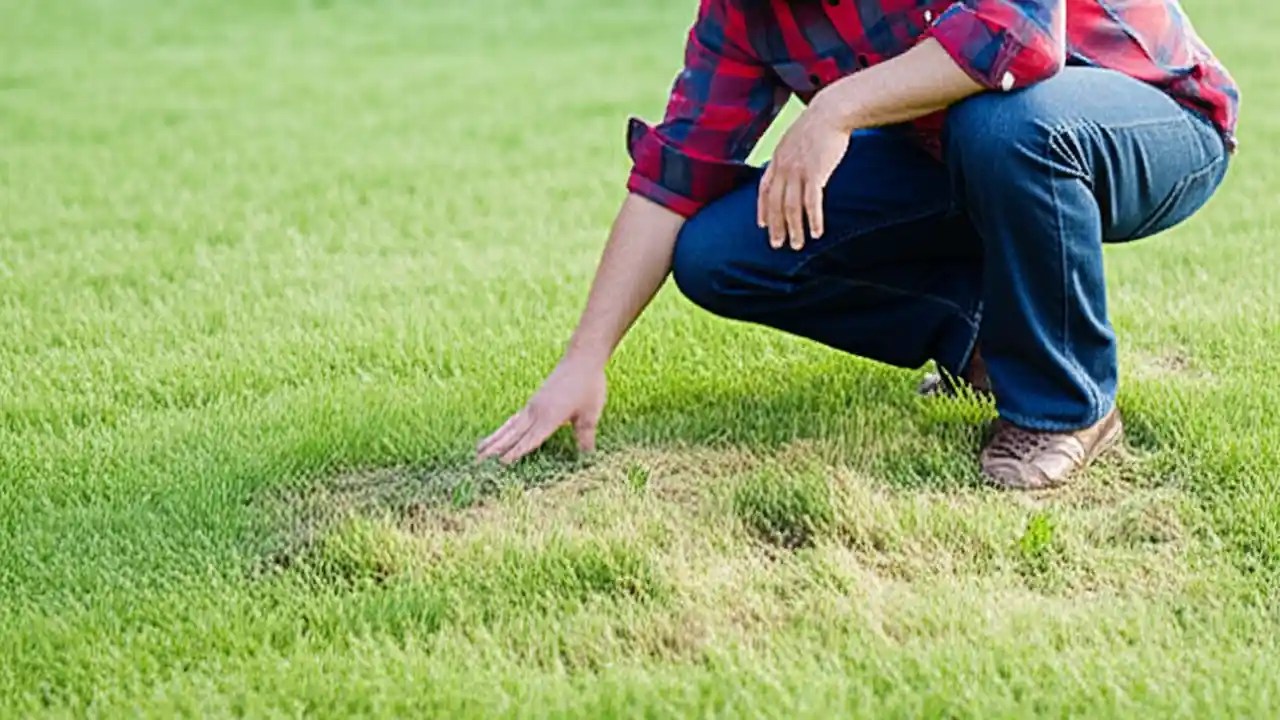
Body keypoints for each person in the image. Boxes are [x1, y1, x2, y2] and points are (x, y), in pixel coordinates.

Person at [477, 0, 1239, 489]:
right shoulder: (746, 15)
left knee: (1006, 123)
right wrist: (584, 360)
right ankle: (984, 338)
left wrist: (835, 108)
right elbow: (675, 174)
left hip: (1157, 117)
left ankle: (1067, 405)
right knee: (719, 250)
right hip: (961, 156)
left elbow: (1022, 39)